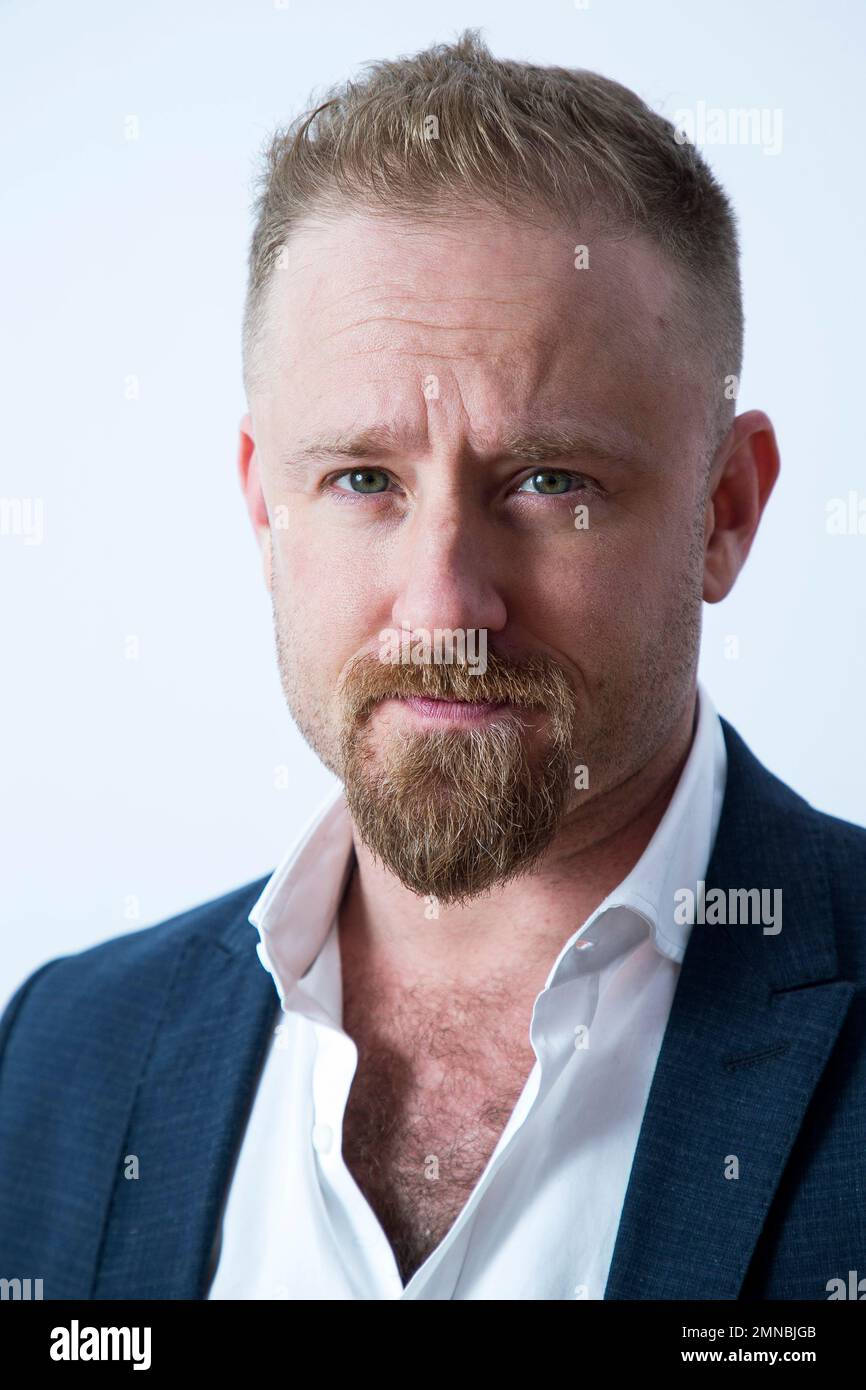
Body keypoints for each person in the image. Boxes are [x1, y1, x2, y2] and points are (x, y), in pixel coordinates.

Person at [1, 29, 863, 1302]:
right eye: (362, 479)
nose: (444, 601)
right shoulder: (59, 1057)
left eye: (548, 481)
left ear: (723, 511)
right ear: (262, 509)